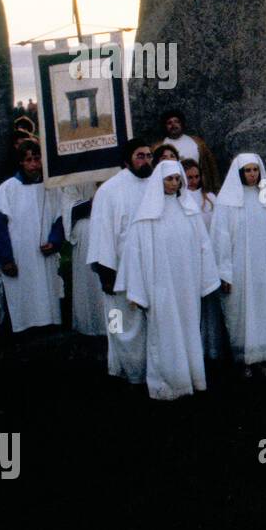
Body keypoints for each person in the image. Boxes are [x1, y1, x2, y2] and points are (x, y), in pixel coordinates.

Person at [115, 160, 221, 400]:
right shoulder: (146, 216)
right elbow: (135, 254)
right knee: (164, 333)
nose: (174, 183)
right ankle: (166, 384)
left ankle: (192, 378)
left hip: (186, 285)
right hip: (160, 286)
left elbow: (203, 246)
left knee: (189, 329)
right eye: (169, 179)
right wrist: (137, 291)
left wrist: (207, 280)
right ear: (159, 182)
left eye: (177, 179)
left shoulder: (189, 211)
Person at [212, 153, 266, 377]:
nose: (252, 174)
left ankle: (263, 358)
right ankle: (244, 361)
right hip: (240, 269)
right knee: (241, 312)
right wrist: (224, 274)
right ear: (239, 173)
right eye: (247, 170)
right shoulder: (226, 202)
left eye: (255, 170)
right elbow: (220, 240)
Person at [87, 138, 155, 386]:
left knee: (147, 325)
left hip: (150, 270)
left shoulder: (156, 185)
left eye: (149, 155)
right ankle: (122, 371)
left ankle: (149, 373)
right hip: (117, 273)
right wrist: (106, 273)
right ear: (127, 161)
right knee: (117, 322)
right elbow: (101, 232)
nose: (146, 161)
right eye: (140, 156)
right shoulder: (109, 190)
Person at [0, 140, 63, 333]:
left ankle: (48, 330)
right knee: (23, 298)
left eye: (37, 159)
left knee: (47, 296)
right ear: (21, 162)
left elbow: (60, 217)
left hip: (45, 254)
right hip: (20, 256)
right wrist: (6, 259)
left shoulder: (51, 187)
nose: (34, 164)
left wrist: (54, 241)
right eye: (29, 160)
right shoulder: (8, 188)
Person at [183, 158, 225, 361]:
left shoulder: (210, 199)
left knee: (211, 303)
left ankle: (212, 348)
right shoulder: (181, 200)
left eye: (196, 176)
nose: (193, 181)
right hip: (190, 258)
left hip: (210, 255)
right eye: (189, 177)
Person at [57, 180, 105, 336]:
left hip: (112, 232)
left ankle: (114, 328)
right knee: (91, 283)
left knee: (112, 290)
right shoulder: (76, 179)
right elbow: (69, 210)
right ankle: (90, 326)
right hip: (87, 234)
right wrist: (92, 201)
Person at [156, 109, 219, 193]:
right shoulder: (158, 147)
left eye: (176, 121)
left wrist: (216, 188)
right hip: (173, 191)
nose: (173, 125)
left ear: (182, 124)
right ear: (165, 126)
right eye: (169, 123)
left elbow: (211, 166)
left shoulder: (197, 142)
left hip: (198, 190)